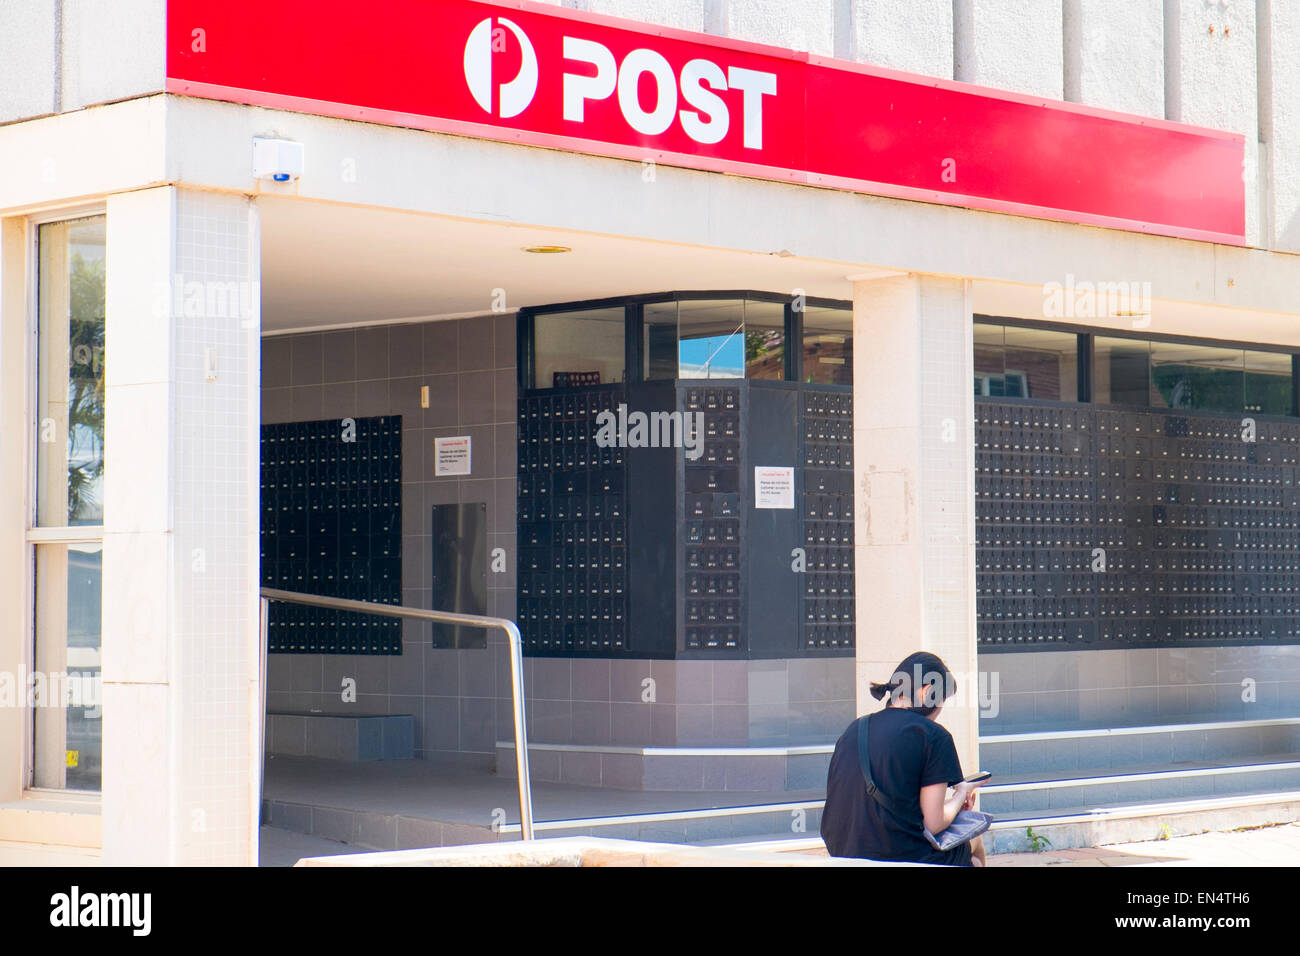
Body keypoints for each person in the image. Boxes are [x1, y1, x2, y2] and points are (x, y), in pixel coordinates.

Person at [820, 651, 987, 866]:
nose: (939, 710)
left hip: (844, 852)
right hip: (900, 855)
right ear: (927, 692)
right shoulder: (933, 735)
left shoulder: (855, 729)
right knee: (975, 842)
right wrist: (960, 794)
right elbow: (934, 823)